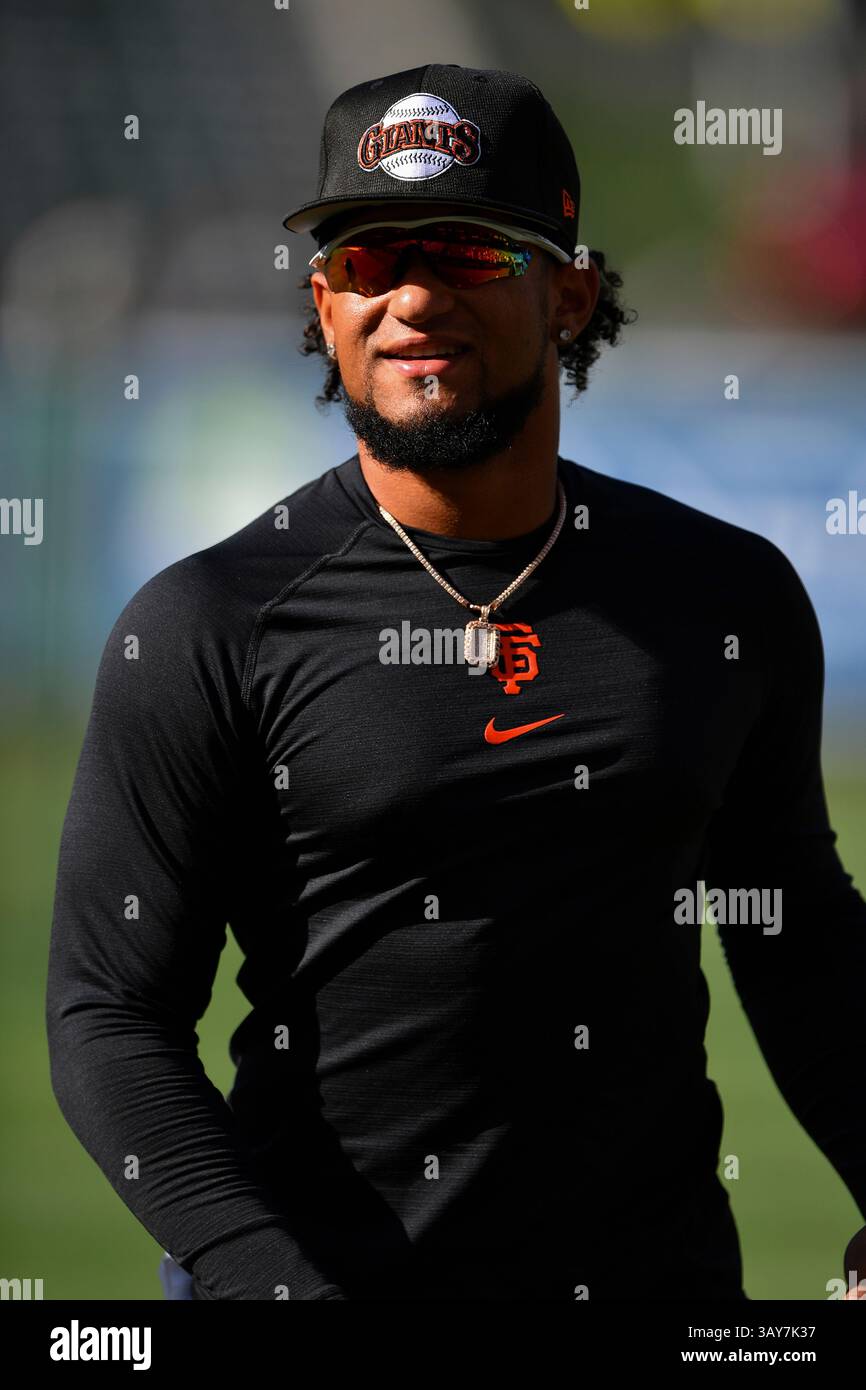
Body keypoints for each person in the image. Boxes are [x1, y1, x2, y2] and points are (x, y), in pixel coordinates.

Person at [46, 62, 866, 1302]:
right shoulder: (207, 623)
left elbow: (790, 929)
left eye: (471, 254)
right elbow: (108, 1012)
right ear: (322, 304)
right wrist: (265, 1280)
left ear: (572, 294)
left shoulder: (721, 601)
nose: (413, 297)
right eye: (368, 261)